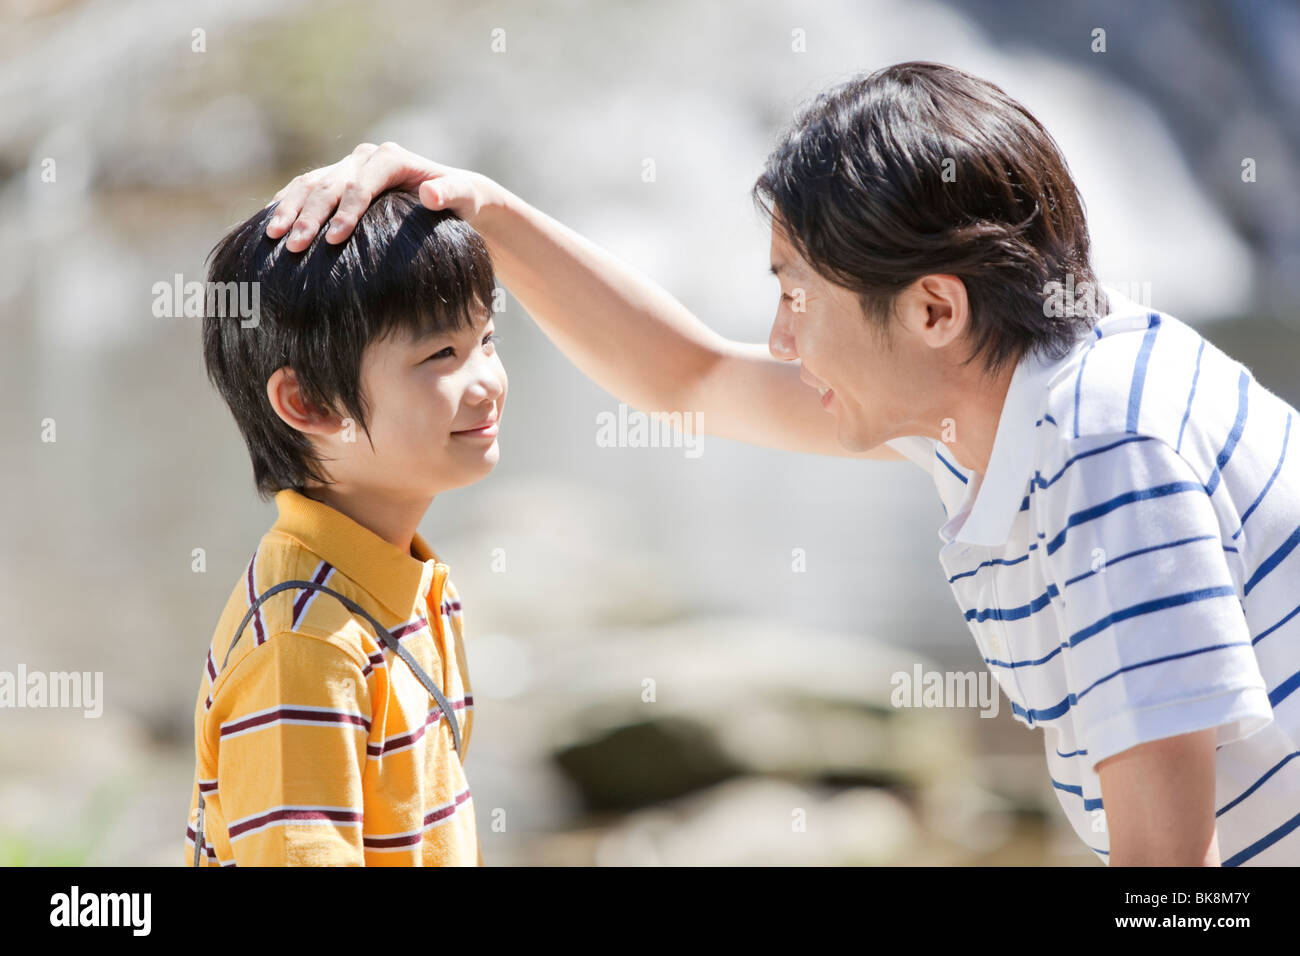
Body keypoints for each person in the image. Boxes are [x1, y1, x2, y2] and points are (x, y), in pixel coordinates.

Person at [265, 61, 1300, 866]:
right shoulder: (1010, 373)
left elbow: (1173, 877)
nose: (782, 336)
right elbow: (691, 378)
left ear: (933, 307)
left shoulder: (1101, 455)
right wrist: (481, 207)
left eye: (796, 294)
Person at [186, 189, 503, 865]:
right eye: (441, 354)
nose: (487, 383)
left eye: (486, 341)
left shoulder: (412, 583)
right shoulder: (305, 647)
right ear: (308, 402)